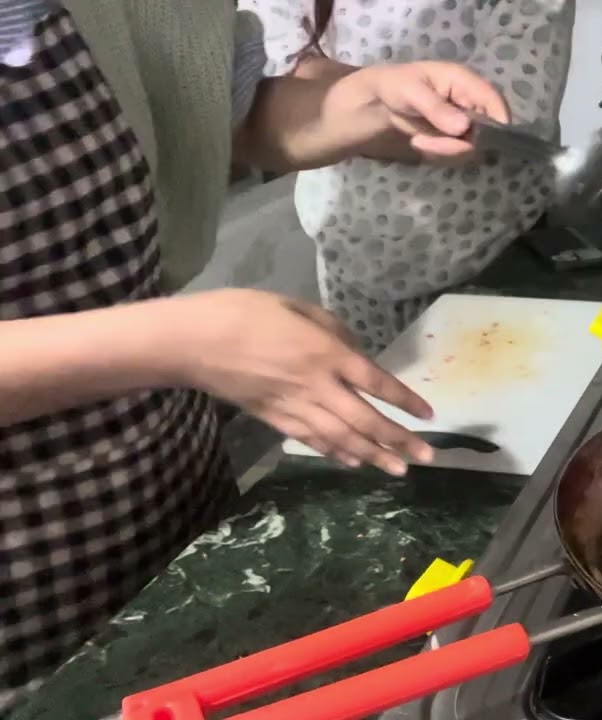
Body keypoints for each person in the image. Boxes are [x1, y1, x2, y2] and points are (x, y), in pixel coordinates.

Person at [0, 0, 511, 711]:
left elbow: (217, 115)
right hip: (23, 619)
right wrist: (176, 340)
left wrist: (355, 103)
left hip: (182, 525)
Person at [242, 0, 573, 351]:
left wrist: (337, 103)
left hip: (495, 254)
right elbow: (269, 74)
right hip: (348, 260)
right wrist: (379, 97)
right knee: (375, 401)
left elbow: (502, 109)